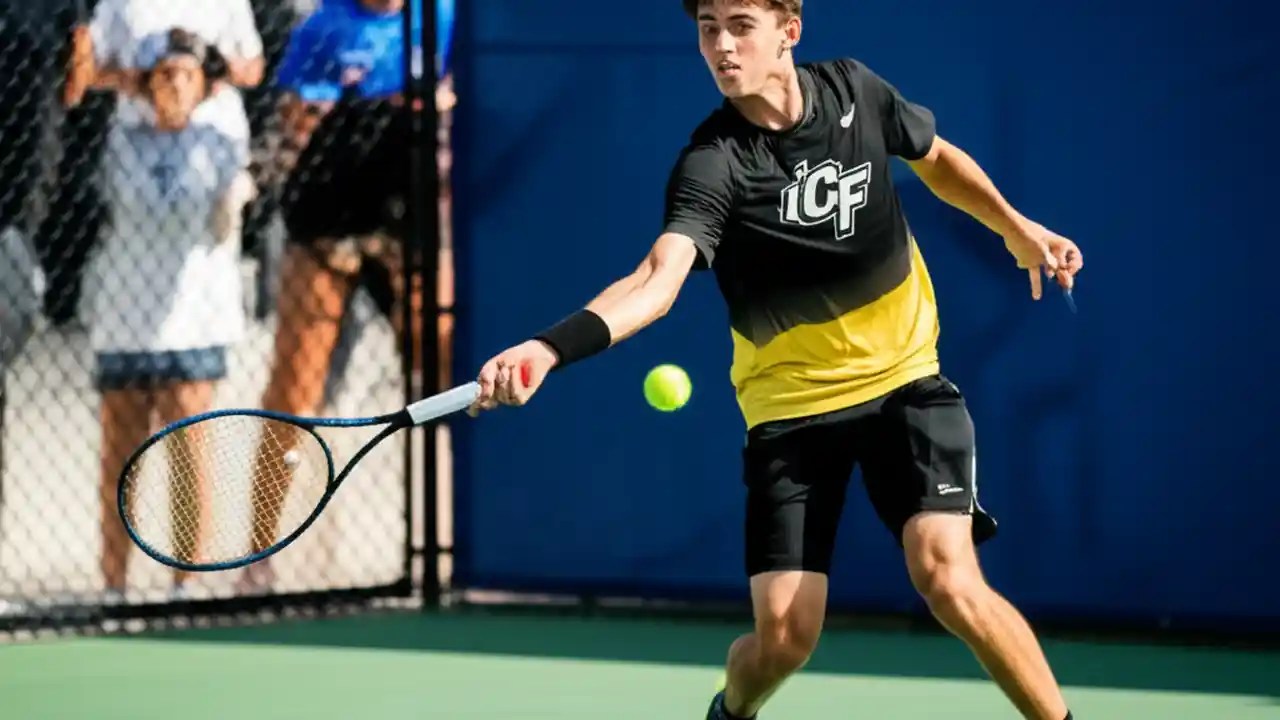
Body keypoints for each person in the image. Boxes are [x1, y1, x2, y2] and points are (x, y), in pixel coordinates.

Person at [467, 2, 1083, 719]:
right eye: (707, 30)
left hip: (906, 383)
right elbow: (653, 281)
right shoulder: (713, 162)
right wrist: (548, 347)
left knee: (946, 576)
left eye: (740, 25)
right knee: (786, 638)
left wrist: (1015, 228)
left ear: (789, 31)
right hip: (790, 415)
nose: (721, 47)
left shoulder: (856, 90)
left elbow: (936, 159)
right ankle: (732, 710)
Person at [233, 0, 456, 593]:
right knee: (293, 389)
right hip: (325, 226)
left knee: (454, 377)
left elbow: (458, 103)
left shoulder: (446, 19)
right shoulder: (323, 26)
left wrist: (428, 106)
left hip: (407, 225)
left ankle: (463, 543)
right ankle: (257, 558)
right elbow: (296, 120)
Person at [88, 28, 254, 601]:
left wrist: (238, 196)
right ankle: (113, 585)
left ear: (204, 84)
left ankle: (187, 581)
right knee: (121, 455)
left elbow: (227, 211)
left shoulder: (222, 143)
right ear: (147, 83)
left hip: (195, 320)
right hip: (125, 319)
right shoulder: (114, 142)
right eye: (164, 74)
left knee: (189, 450)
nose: (176, 84)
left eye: (187, 74)